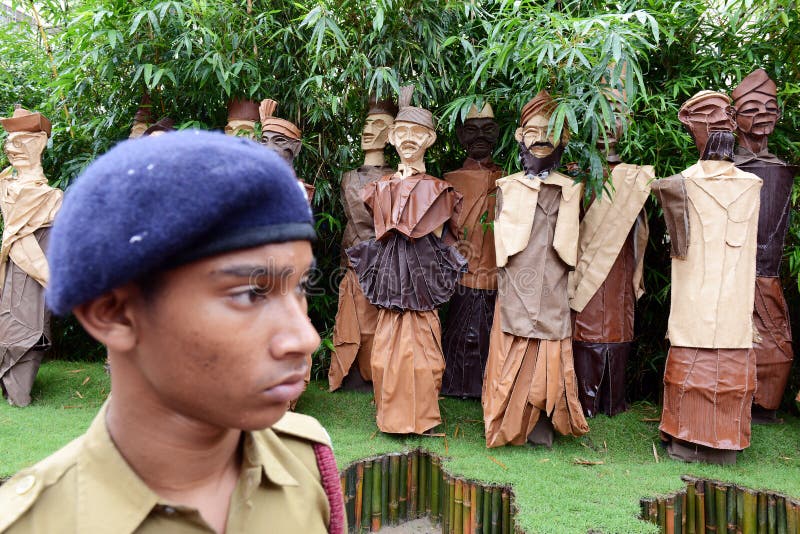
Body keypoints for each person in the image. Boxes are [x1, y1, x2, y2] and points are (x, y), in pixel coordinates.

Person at [0, 131, 345, 533]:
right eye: (250, 293)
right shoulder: (35, 525)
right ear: (114, 313)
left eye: (300, 286)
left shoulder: (306, 460)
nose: (306, 340)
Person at [347, 85, 466, 434]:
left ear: (429, 139)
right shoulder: (378, 188)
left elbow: (445, 236)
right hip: (391, 282)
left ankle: (423, 417)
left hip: (422, 284)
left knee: (424, 356)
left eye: (418, 133)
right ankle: (391, 417)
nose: (409, 139)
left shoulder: (440, 191)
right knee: (384, 356)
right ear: (393, 138)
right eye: (402, 132)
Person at [652, 90, 761, 464]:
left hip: (734, 310)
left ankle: (726, 440)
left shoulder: (752, 185)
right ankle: (684, 437)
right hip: (693, 308)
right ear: (691, 126)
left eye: (726, 115)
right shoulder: (676, 187)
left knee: (730, 376)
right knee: (689, 373)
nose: (722, 122)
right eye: (710, 117)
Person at [482, 91, 589, 448]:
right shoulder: (506, 187)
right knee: (512, 345)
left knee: (549, 351)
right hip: (515, 289)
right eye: (533, 130)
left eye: (551, 129)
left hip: (555, 288)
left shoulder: (573, 189)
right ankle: (510, 421)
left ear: (565, 138)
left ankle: (544, 420)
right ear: (519, 135)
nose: (542, 137)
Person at [569, 88, 653, 418]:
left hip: (619, 274)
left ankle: (612, 401)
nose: (608, 124)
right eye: (601, 113)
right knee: (585, 327)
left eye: (617, 116)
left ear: (627, 122)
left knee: (617, 324)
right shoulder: (576, 173)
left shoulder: (634, 176)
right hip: (583, 277)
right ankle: (583, 400)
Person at [732, 69, 798, 424]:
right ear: (734, 117)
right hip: (732, 274)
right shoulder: (724, 168)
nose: (762, 117)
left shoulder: (780, 167)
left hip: (767, 274)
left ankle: (765, 405)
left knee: (777, 347)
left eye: (770, 109)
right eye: (752, 109)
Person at [329, 96, 396, 392]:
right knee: (350, 317)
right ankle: (349, 372)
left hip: (383, 262)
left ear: (394, 133)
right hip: (353, 260)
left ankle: (374, 371)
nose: (369, 129)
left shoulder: (397, 179)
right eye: (367, 123)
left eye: (380, 124)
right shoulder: (347, 178)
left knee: (376, 320)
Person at [0, 107, 63, 407]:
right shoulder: (7, 186)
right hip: (14, 265)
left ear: (39, 144)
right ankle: (11, 385)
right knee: (8, 319)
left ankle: (18, 391)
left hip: (36, 267)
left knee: (29, 321)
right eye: (10, 142)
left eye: (22, 141)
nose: (13, 148)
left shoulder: (51, 197)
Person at [441, 102, 504, 398]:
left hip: (497, 272)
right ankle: (456, 384)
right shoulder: (449, 181)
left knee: (491, 331)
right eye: (472, 129)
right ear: (461, 135)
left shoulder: (506, 180)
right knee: (458, 330)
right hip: (461, 273)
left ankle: (488, 383)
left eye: (487, 129)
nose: (480, 137)